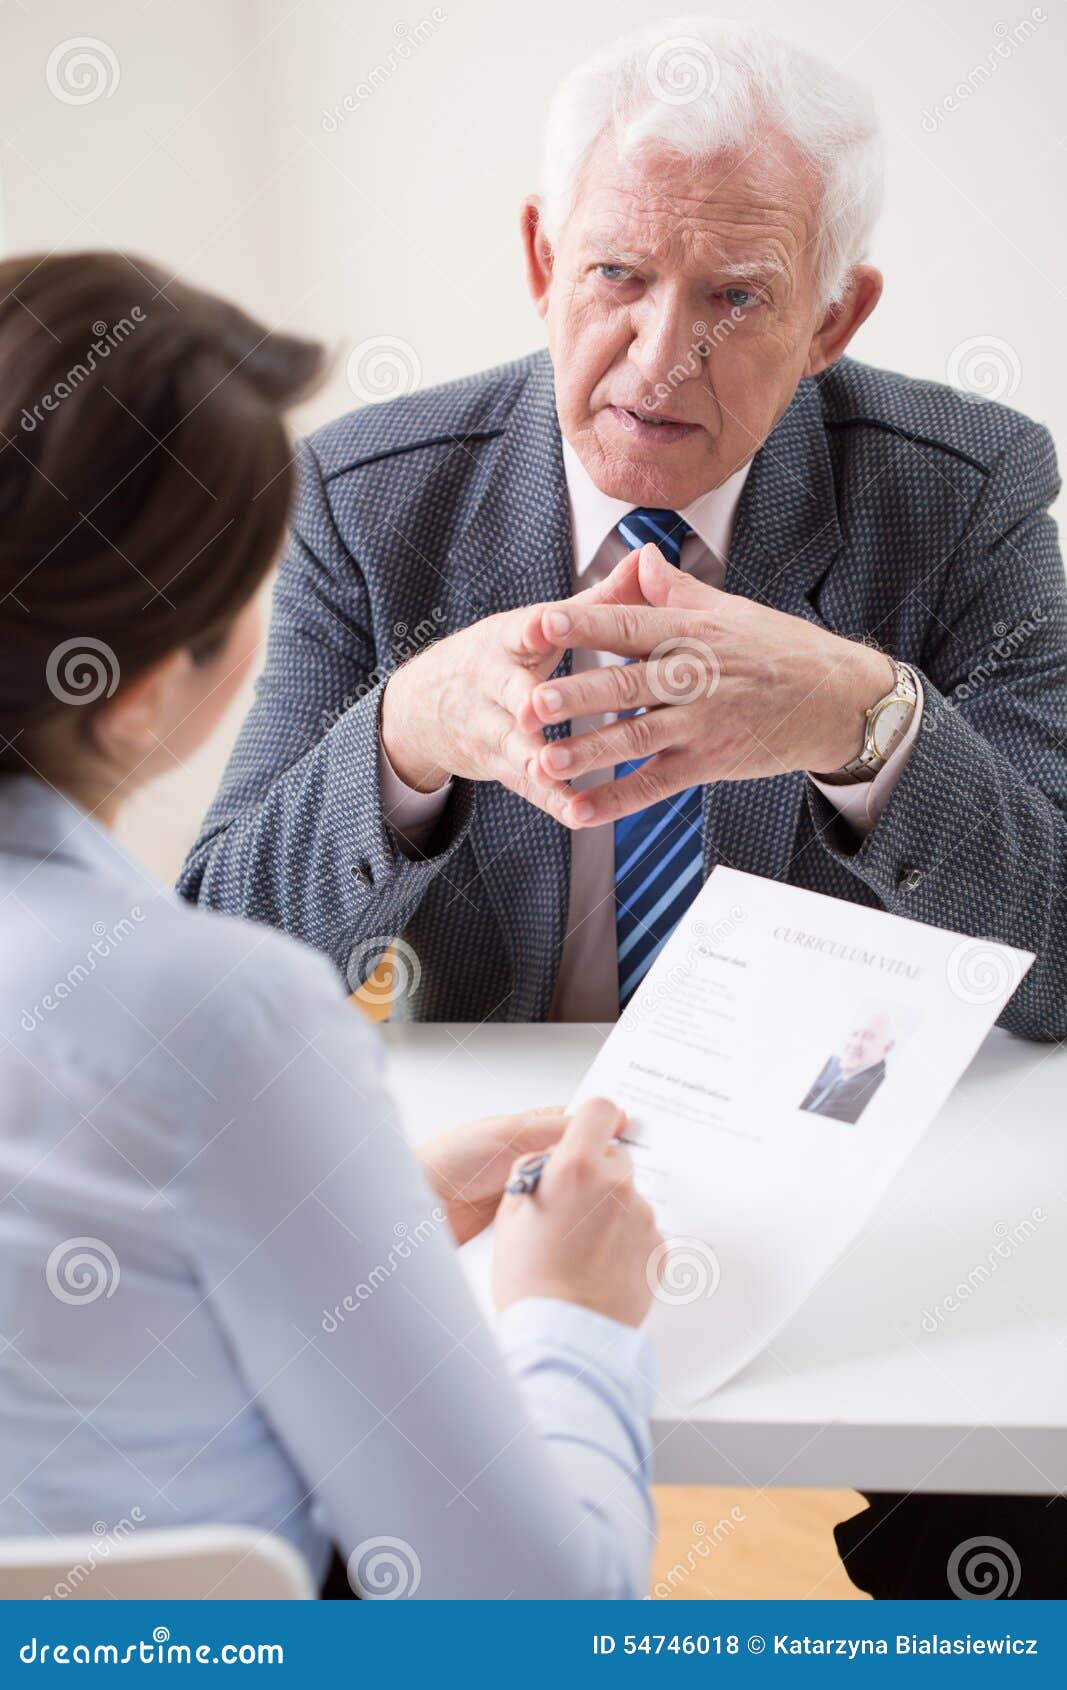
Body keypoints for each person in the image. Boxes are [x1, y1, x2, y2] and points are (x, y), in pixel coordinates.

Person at [177, 16, 1067, 1601]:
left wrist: (870, 724)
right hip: (484, 1171)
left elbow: (1058, 953)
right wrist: (401, 739)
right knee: (294, 1527)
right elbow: (214, 959)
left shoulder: (967, 487)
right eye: (614, 277)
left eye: (735, 296)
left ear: (831, 316)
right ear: (537, 254)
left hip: (852, 1190)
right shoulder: (371, 499)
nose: (662, 356)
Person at [0, 250, 663, 1600]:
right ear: (134, 697)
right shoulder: (220, 1014)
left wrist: (362, 1217)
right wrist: (570, 1313)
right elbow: (534, 1627)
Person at [799, 1014, 894, 1125]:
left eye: (869, 1037)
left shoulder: (855, 1089)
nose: (856, 1043)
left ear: (887, 1048)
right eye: (855, 1034)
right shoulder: (846, 1072)